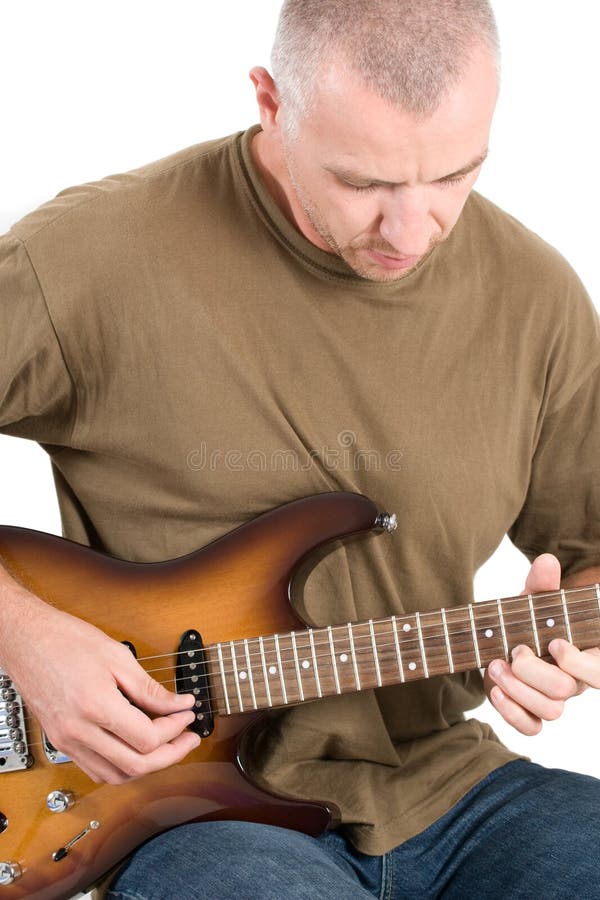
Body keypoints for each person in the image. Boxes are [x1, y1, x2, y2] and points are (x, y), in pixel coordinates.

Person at [1, 0, 600, 897]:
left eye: (454, 175)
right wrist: (25, 634)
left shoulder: (536, 297)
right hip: (188, 815)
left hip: (445, 783)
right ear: (272, 102)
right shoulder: (91, 258)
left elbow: (590, 555)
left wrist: (570, 652)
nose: (411, 231)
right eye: (363, 182)